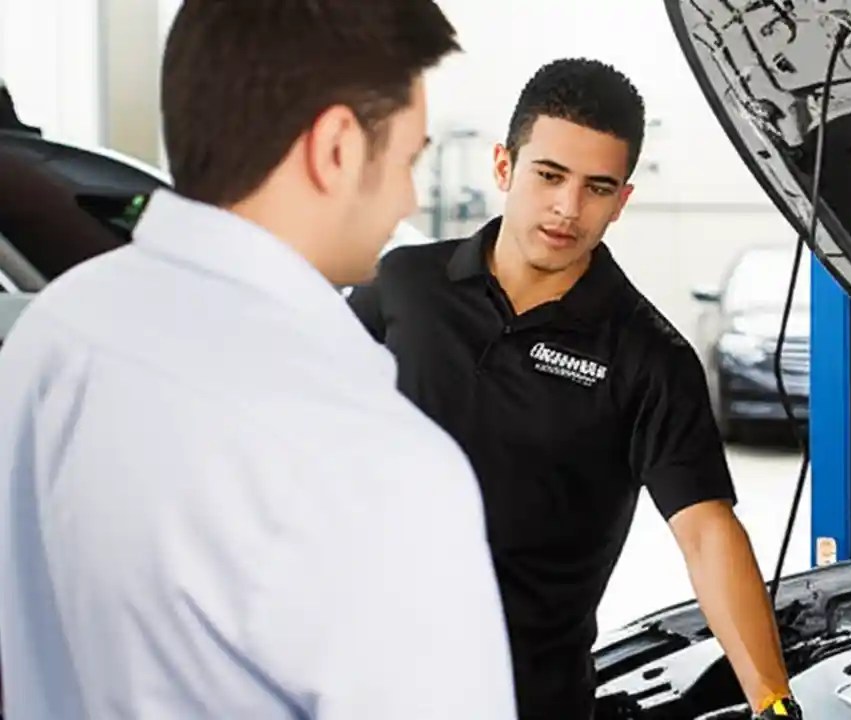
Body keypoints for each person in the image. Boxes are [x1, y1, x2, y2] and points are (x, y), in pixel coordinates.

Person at [0, 2, 516, 718]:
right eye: (409, 158)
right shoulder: (378, 468)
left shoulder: (51, 336)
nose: (408, 195)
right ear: (336, 147)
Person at [348, 58, 803, 720]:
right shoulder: (405, 287)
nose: (568, 208)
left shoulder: (649, 357)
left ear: (622, 200)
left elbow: (707, 533)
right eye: (550, 176)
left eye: (597, 187)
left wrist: (772, 701)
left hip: (525, 700)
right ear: (504, 168)